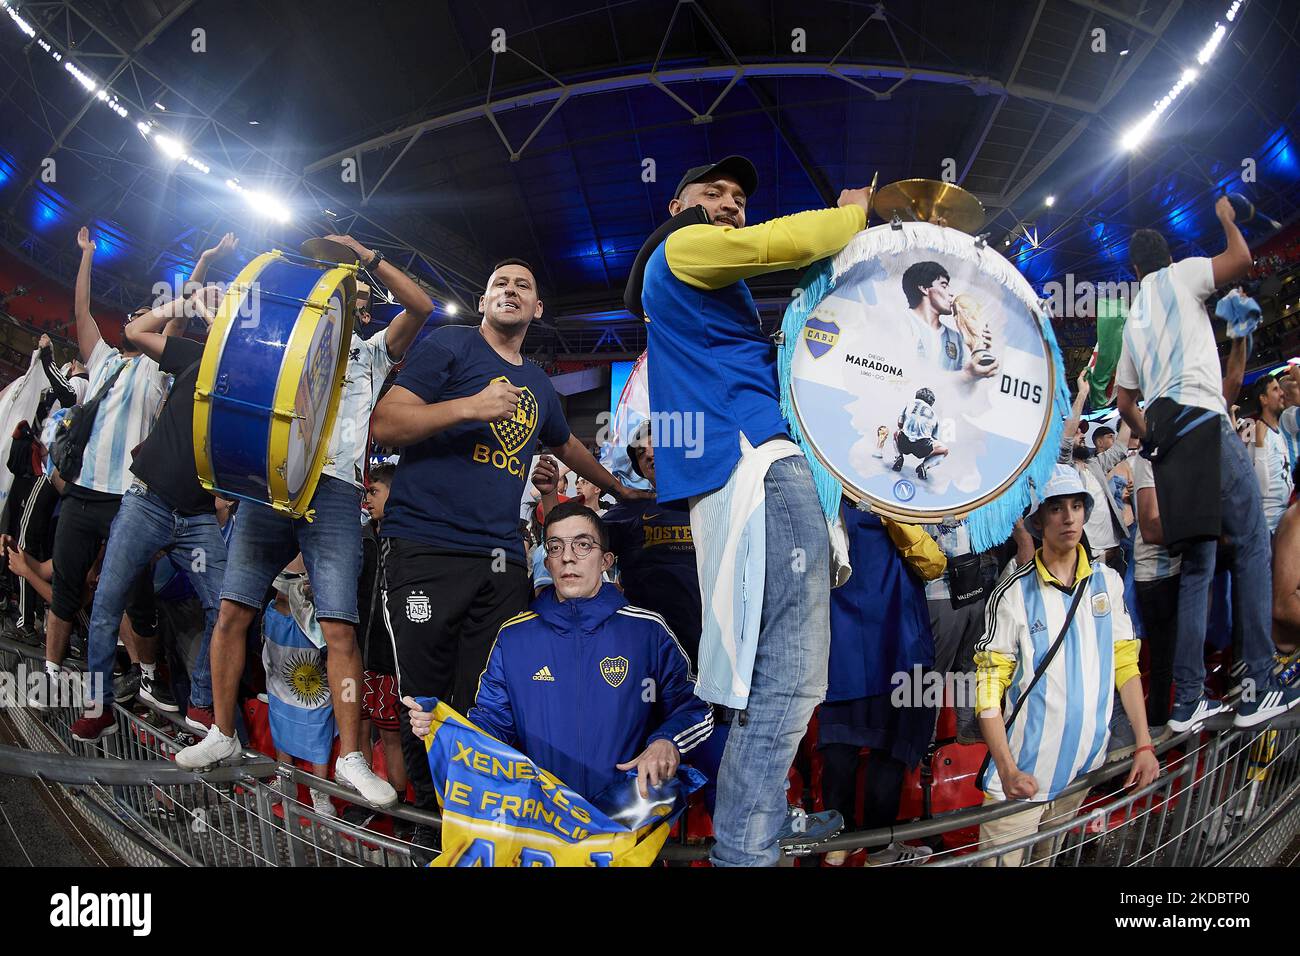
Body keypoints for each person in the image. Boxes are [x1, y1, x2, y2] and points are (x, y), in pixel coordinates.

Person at [631, 155, 869, 866]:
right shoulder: (683, 245)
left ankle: (754, 828)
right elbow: (778, 245)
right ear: (678, 206)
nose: (731, 204)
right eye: (715, 193)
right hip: (756, 466)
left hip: (732, 482)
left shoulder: (699, 287)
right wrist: (854, 212)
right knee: (789, 684)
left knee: (761, 686)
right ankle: (749, 843)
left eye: (739, 195)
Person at [370, 258, 645, 833]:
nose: (512, 291)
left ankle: (477, 825)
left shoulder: (540, 384)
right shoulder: (450, 346)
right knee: (426, 700)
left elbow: (567, 444)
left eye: (525, 284)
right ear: (484, 300)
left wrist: (622, 488)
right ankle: (429, 827)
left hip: (498, 561)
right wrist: (472, 405)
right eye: (501, 283)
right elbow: (386, 423)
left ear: (538, 308)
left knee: (483, 703)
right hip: (425, 547)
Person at [177, 233, 430, 812]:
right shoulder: (280, 340)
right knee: (233, 608)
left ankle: (350, 758)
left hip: (337, 494)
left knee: (340, 628)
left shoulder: (372, 353)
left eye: (356, 298)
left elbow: (420, 307)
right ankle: (220, 732)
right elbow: (209, 312)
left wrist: (365, 255)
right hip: (270, 486)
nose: (347, 304)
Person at [1116, 196, 1300, 730]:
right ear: (1165, 257)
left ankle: (1187, 700)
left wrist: (1157, 437)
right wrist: (1225, 218)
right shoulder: (1181, 275)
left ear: (1133, 271)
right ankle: (1256, 688)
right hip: (1202, 420)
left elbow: (1125, 403)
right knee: (1252, 545)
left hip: (1170, 437)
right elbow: (1241, 260)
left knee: (1197, 565)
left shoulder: (1132, 319)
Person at [406, 501, 711, 804]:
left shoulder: (647, 631)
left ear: (605, 560)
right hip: (544, 821)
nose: (567, 557)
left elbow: (694, 708)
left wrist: (667, 741)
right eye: (555, 547)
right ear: (547, 562)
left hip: (625, 819)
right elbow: (493, 725)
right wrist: (445, 728)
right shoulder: (514, 636)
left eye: (582, 545)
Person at [68, 236, 238, 742]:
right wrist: (188, 300)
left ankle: (202, 704)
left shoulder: (253, 379)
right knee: (107, 603)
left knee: (224, 607)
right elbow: (136, 329)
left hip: (200, 516)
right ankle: (97, 706)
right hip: (148, 501)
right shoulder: (189, 355)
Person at [974, 466, 1160, 866]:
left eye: (1077, 506)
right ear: (1039, 521)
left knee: (1047, 861)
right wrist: (1006, 769)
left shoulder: (1107, 584)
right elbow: (988, 684)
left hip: (1079, 771)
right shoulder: (1012, 595)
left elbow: (1125, 666)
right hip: (1020, 778)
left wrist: (1144, 743)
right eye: (1057, 508)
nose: (1070, 517)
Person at [39, 226, 176, 726]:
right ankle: (51, 672)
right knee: (67, 587)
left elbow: (174, 326)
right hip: (82, 495)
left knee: (136, 595)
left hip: (128, 501)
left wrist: (194, 280)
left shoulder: (159, 369)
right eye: (135, 317)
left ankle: (147, 678)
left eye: (145, 318)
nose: (136, 322)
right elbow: (81, 309)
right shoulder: (103, 360)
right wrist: (86, 258)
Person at [900, 261, 999, 379]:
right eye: (944, 286)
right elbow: (906, 374)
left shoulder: (956, 338)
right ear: (924, 289)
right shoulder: (902, 322)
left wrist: (978, 351)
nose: (951, 293)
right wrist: (966, 375)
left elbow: (960, 392)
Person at [1249, 374, 1293, 534]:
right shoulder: (1257, 434)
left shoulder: (1279, 431)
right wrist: (1259, 445)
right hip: (1268, 529)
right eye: (1275, 389)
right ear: (1264, 399)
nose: (1281, 393)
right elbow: (1261, 488)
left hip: (1282, 521)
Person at [890, 387, 947, 480]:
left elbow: (900, 423)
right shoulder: (935, 416)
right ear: (931, 403)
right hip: (921, 448)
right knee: (944, 450)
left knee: (896, 433)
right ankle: (924, 467)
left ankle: (898, 457)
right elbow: (934, 438)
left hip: (904, 443)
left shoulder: (910, 403)